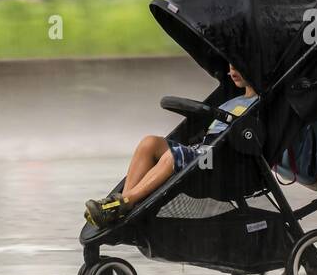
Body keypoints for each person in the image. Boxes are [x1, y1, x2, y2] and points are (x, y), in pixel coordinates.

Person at [84, 63, 258, 227]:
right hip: (204, 152)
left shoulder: (258, 106)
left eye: (238, 63)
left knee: (174, 155)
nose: (232, 67)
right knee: (149, 143)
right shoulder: (232, 101)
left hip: (223, 163)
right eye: (230, 63)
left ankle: (127, 201)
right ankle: (123, 203)